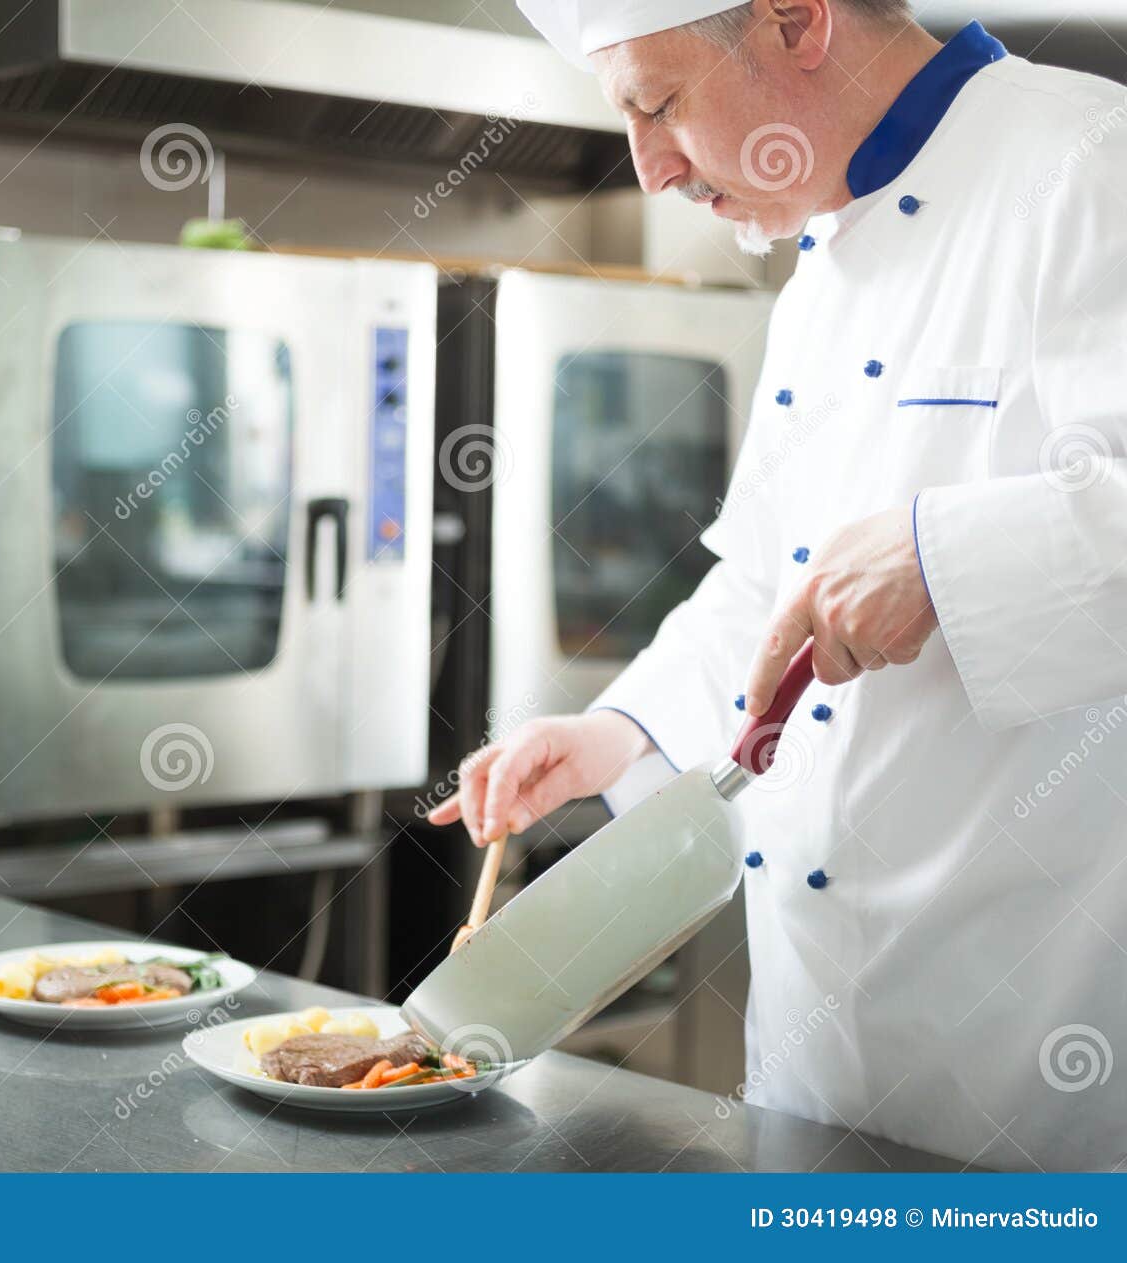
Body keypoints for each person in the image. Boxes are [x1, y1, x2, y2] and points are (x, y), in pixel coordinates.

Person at [431, 0, 1127, 1170]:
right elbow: (768, 585)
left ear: (797, 21)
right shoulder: (818, 268)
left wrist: (942, 561)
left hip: (1045, 1077)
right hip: (814, 1077)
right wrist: (616, 731)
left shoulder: (1088, 165)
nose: (649, 169)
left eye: (659, 105)